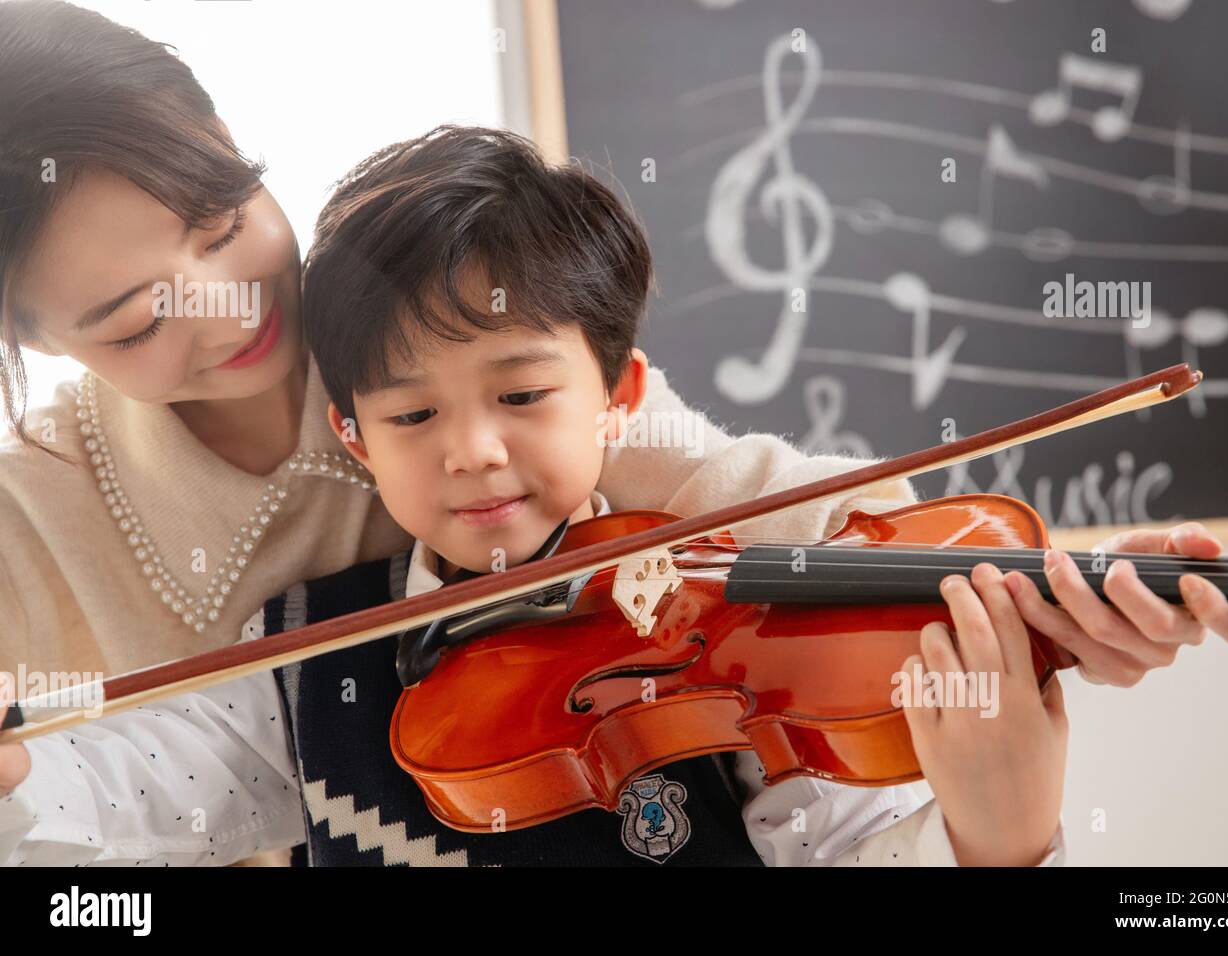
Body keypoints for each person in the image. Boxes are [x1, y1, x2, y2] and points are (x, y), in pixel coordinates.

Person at [0, 1, 1228, 867]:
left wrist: (1042, 625)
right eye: (134, 315)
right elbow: (126, 791)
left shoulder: (427, 311)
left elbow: (779, 508)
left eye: (223, 224)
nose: (476, 450)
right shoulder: (290, 668)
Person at [247, 124, 1066, 866]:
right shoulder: (300, 659)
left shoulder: (724, 642)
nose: (473, 452)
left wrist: (997, 841)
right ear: (355, 436)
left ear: (619, 400)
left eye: (524, 396)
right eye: (414, 414)